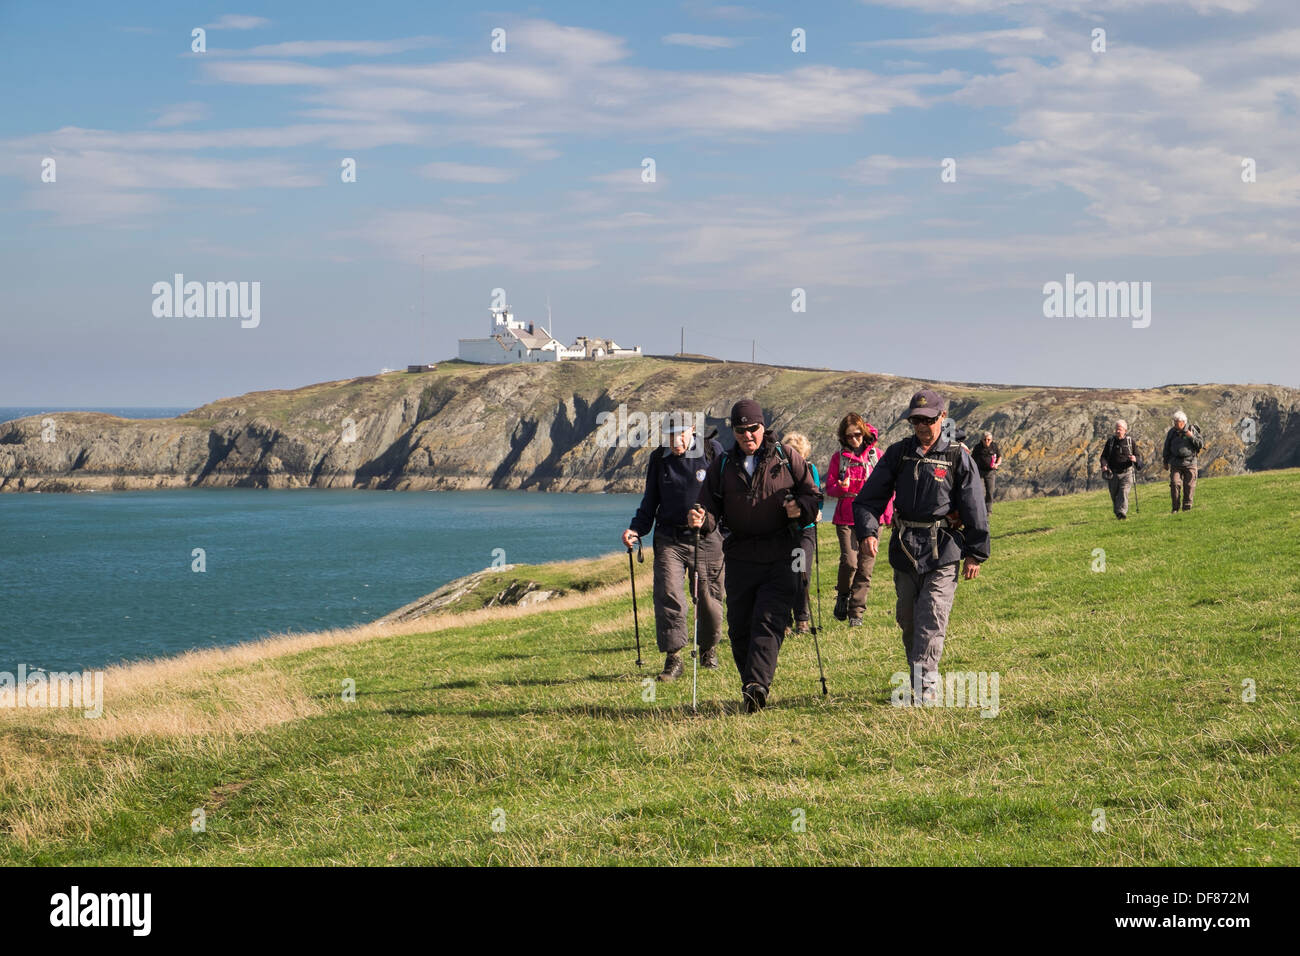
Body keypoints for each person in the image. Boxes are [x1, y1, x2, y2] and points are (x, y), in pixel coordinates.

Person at [853, 389, 990, 706]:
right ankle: (919, 677)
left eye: (928, 420)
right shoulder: (899, 454)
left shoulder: (958, 456)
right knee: (908, 620)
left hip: (944, 550)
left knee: (931, 616)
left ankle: (925, 688)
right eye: (915, 420)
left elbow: (974, 507)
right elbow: (868, 499)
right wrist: (868, 532)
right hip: (904, 550)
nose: (921, 426)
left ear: (943, 417)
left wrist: (976, 552)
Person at [687, 400, 820, 713]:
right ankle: (751, 685)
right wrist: (699, 519)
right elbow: (709, 509)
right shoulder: (723, 464)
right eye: (741, 429)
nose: (748, 434)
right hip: (740, 555)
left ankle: (757, 685)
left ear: (763, 427)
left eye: (753, 428)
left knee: (768, 620)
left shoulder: (787, 458)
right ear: (733, 431)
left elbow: (813, 496)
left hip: (781, 552)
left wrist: (799, 508)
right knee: (740, 626)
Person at [623, 413, 725, 681]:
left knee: (709, 597)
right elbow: (650, 501)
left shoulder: (712, 451)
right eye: (669, 434)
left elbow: (724, 494)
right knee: (669, 594)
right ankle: (674, 658)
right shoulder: (659, 458)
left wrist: (714, 522)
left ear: (692, 430)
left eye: (680, 433)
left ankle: (708, 649)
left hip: (706, 536)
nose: (674, 439)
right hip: (669, 537)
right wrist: (636, 529)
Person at [826, 414, 893, 627]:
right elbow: (829, 488)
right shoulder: (839, 458)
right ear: (843, 437)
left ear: (863, 432)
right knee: (849, 562)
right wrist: (841, 487)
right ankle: (843, 595)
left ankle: (856, 613)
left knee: (865, 568)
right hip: (846, 516)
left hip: (873, 517)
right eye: (849, 436)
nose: (854, 439)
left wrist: (888, 513)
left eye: (857, 434)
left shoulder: (876, 456)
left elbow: (888, 488)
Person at [781, 432, 821, 635]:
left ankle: (802, 619)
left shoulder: (810, 469)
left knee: (801, 572)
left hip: (805, 529)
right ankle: (785, 619)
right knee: (784, 574)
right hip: (782, 530)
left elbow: (817, 497)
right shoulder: (778, 472)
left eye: (799, 456)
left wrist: (816, 511)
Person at [1099, 420, 1142, 520]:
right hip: (1113, 473)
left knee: (1123, 492)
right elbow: (1103, 457)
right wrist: (1104, 465)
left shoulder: (1130, 442)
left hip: (1127, 472)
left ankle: (1122, 512)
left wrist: (1135, 459)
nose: (1118, 431)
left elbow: (1138, 457)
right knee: (1114, 494)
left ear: (1125, 430)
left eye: (1120, 429)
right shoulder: (1111, 442)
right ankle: (1118, 512)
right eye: (1117, 429)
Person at [1162, 410, 1203, 512]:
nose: (1175, 423)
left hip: (1190, 463)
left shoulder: (1192, 430)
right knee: (1175, 483)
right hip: (1175, 463)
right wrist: (1165, 461)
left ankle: (1187, 507)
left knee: (1189, 486)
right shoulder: (1172, 432)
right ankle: (1175, 508)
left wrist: (1191, 436)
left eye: (1177, 421)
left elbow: (1200, 444)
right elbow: (1166, 447)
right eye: (1174, 421)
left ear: (1183, 422)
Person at [970, 431, 1001, 514]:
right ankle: (979, 509)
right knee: (979, 491)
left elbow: (999, 456)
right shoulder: (977, 447)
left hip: (990, 472)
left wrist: (997, 464)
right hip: (979, 472)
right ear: (982, 440)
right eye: (985, 439)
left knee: (990, 492)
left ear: (991, 439)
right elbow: (972, 459)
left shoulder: (994, 446)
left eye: (989, 439)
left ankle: (988, 511)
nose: (987, 441)